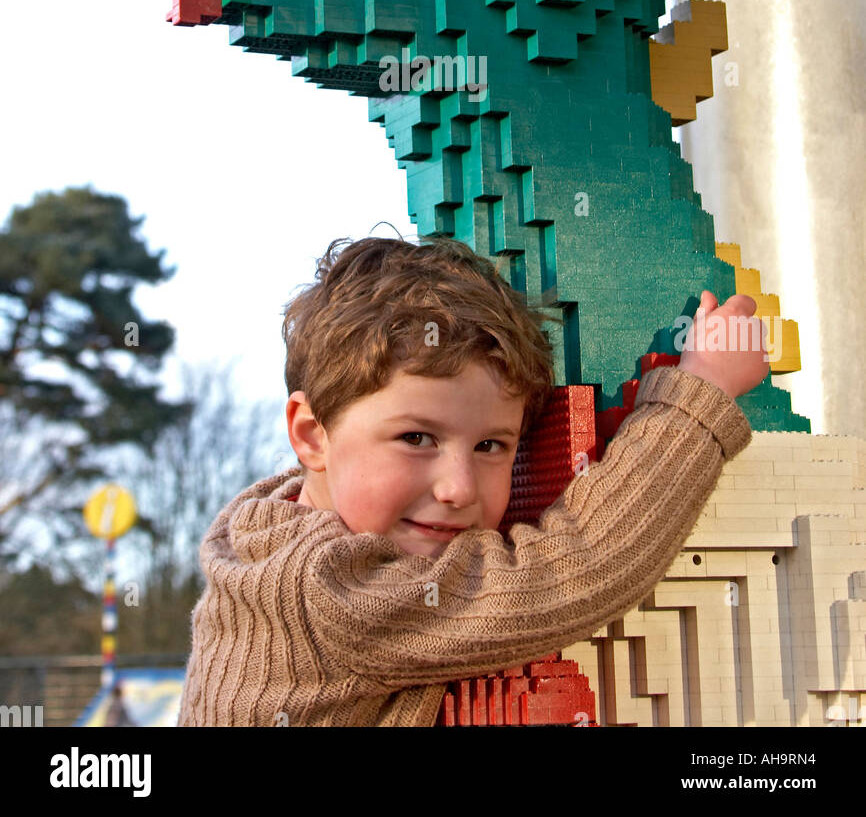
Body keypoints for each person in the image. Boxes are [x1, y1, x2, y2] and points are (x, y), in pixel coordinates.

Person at [177, 235, 768, 727]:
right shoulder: (331, 594)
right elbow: (572, 573)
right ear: (311, 435)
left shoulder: (264, 533)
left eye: (490, 446)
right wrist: (699, 396)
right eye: (416, 439)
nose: (457, 487)